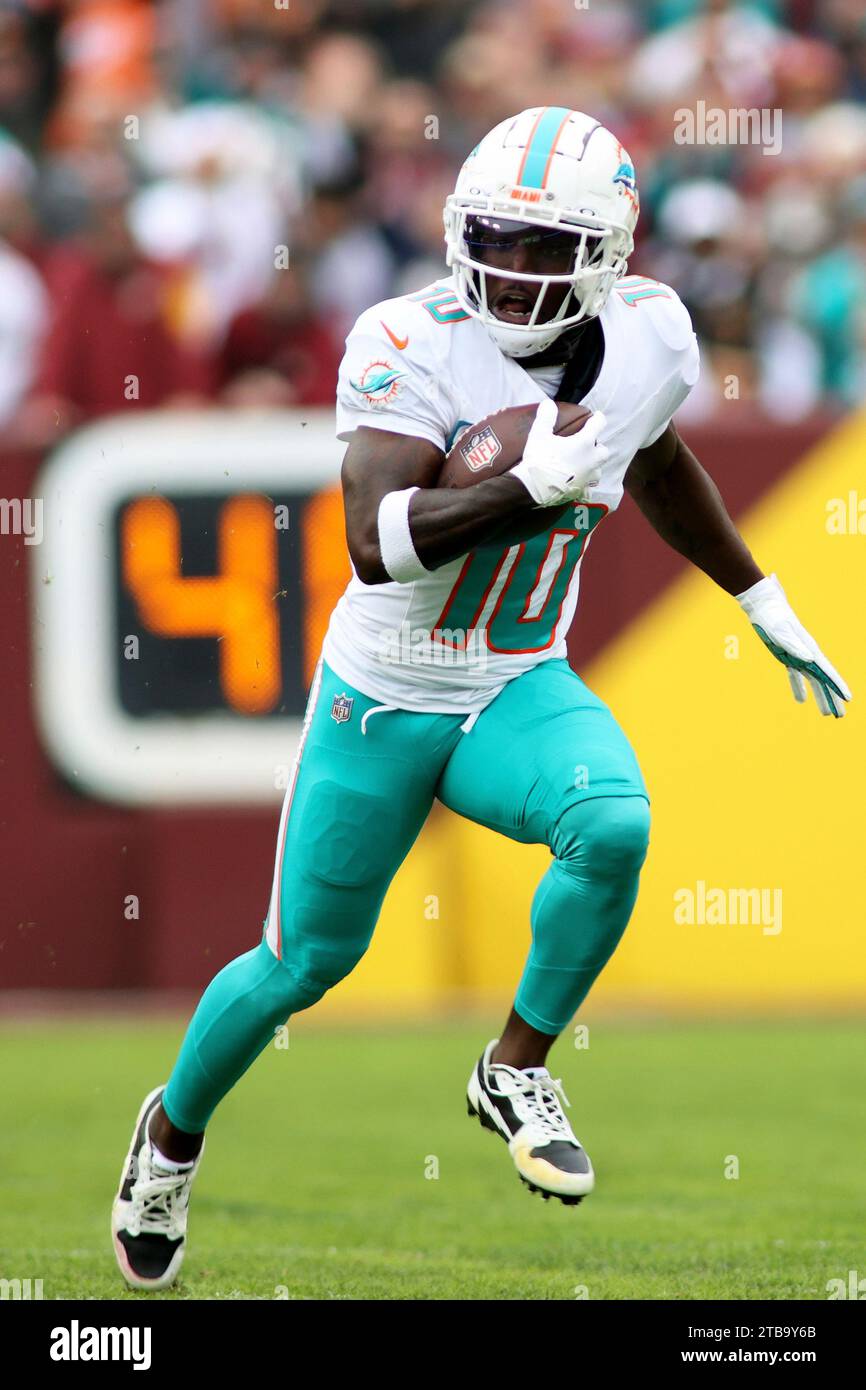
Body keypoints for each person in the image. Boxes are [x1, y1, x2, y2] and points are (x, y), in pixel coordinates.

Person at [111, 107, 850, 1291]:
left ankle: (513, 1064)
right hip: (384, 695)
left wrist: (755, 595)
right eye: (493, 236)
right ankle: (170, 1138)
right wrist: (524, 485)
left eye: (544, 247)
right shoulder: (406, 337)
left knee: (611, 824)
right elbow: (371, 543)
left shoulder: (654, 334)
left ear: (608, 255)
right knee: (303, 962)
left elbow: (653, 459)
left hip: (513, 682)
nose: (511, 270)